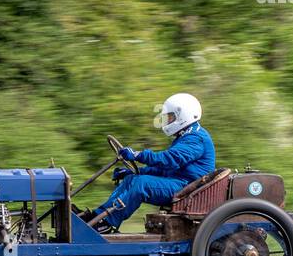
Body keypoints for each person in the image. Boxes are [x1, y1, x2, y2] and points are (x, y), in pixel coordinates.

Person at [83, 93, 215, 233]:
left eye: (170, 117)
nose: (167, 121)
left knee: (141, 184)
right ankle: (98, 216)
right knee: (132, 179)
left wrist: (137, 155)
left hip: (188, 189)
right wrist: (137, 171)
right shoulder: (186, 135)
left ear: (183, 115)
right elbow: (164, 170)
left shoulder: (196, 138)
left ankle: (107, 224)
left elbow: (169, 160)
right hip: (179, 182)